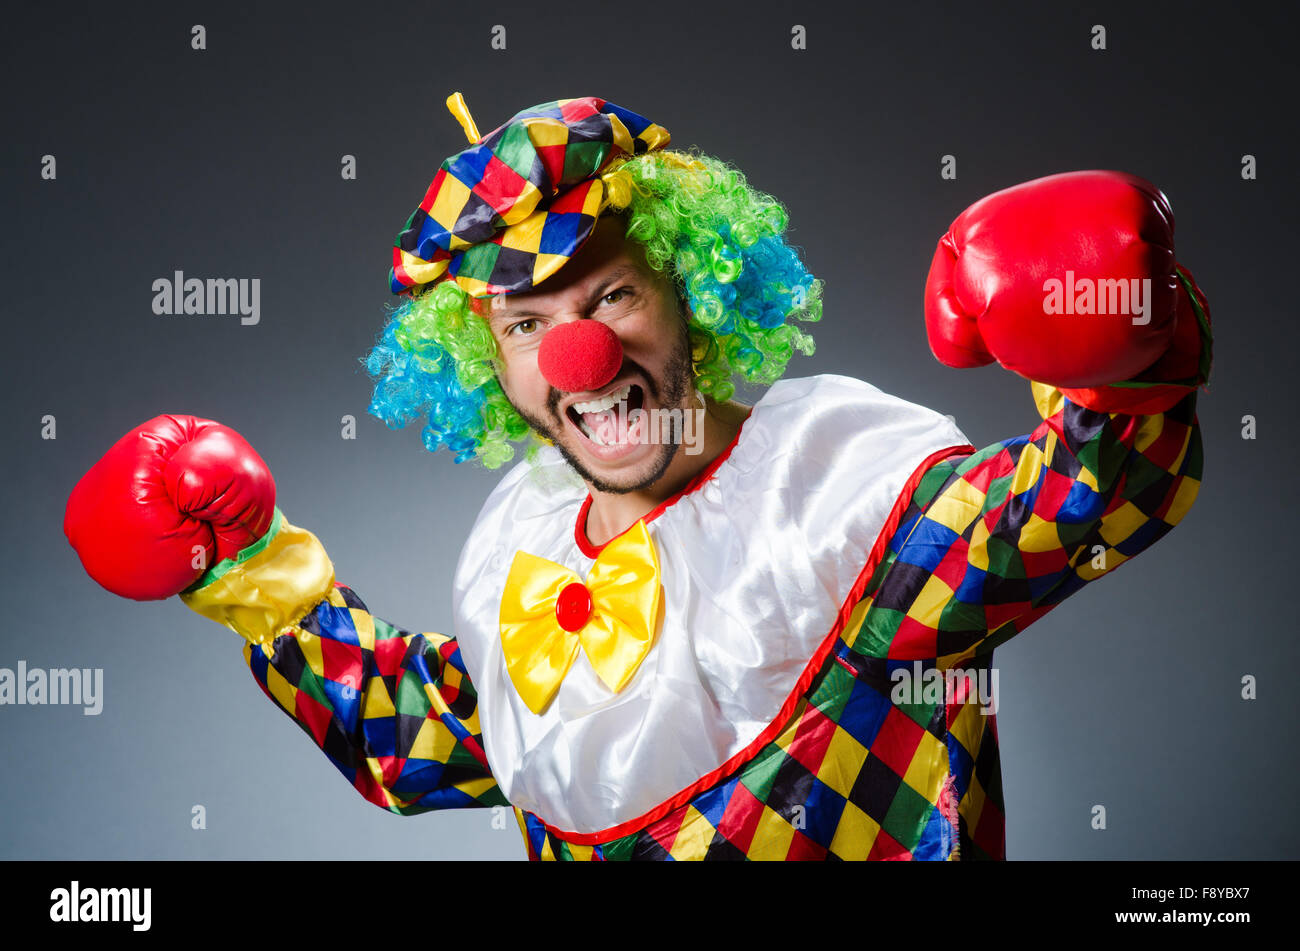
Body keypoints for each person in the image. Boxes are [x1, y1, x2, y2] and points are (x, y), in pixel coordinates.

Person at [64, 94, 1212, 860]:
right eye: (527, 324)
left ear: (690, 293)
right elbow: (426, 742)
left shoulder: (836, 502)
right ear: (489, 364)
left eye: (612, 296)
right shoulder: (529, 541)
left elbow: (1082, 508)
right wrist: (255, 574)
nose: (581, 357)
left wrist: (1119, 355)